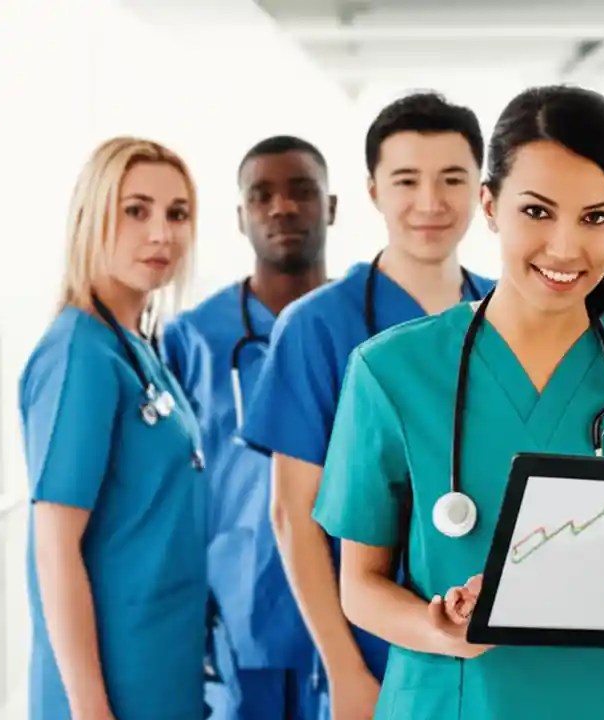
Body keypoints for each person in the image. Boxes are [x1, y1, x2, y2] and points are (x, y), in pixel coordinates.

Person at [312, 84, 604, 720]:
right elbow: (359, 586)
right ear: (490, 205)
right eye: (538, 212)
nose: (566, 248)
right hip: (454, 701)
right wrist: (439, 630)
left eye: (595, 218)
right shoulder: (391, 373)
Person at [239, 92, 494, 719]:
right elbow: (292, 515)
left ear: (483, 192)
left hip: (498, 649)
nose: (430, 203)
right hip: (375, 654)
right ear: (373, 192)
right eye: (406, 180)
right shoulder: (318, 326)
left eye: (452, 179)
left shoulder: (511, 314)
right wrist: (345, 669)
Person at [20, 137, 206, 719]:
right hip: (111, 688)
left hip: (160, 668)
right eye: (136, 210)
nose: (162, 233)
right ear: (90, 216)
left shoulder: (134, 348)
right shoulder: (80, 355)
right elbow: (54, 547)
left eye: (177, 214)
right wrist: (90, 708)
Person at [162, 136, 335, 719]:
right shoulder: (194, 338)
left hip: (350, 597)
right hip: (239, 607)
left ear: (331, 207)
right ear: (241, 218)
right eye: (261, 196)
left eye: (301, 192)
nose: (281, 208)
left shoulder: (360, 326)